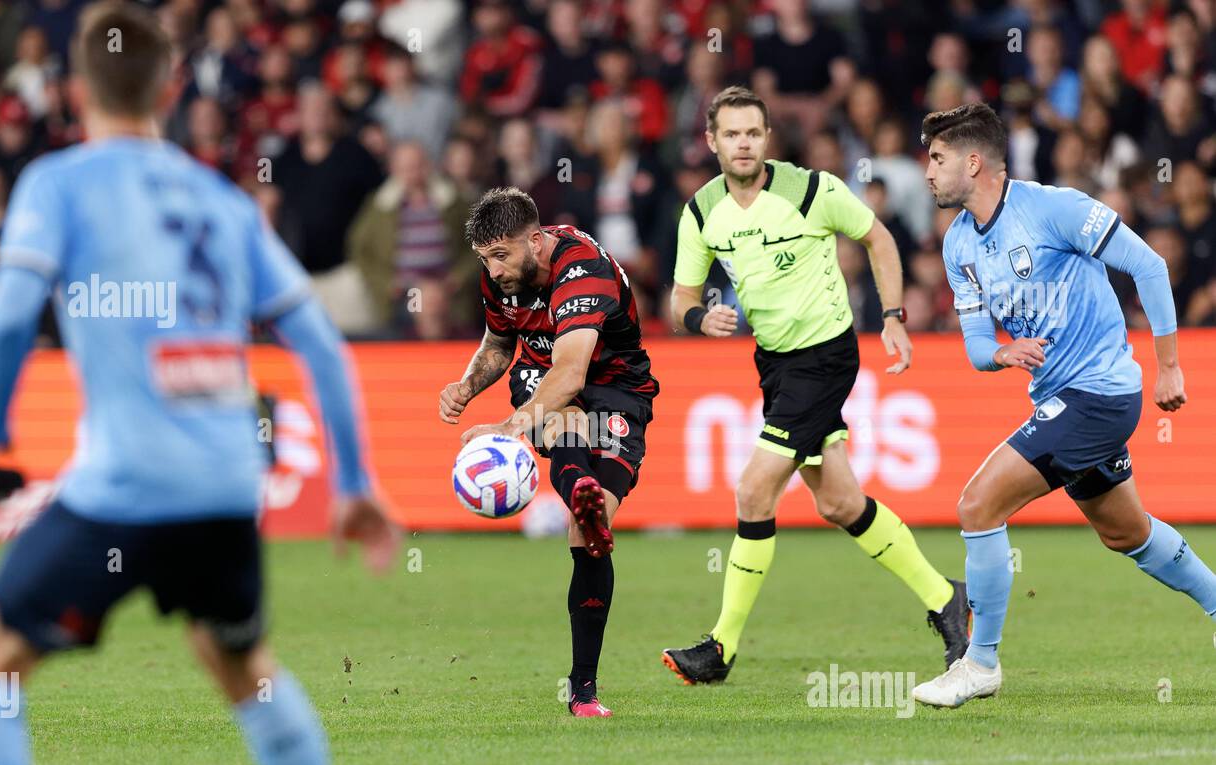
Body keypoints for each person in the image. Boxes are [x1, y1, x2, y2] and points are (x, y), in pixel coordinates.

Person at [0, 1, 401, 765]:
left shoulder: (60, 182)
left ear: (77, 88)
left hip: (125, 484)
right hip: (228, 484)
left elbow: (7, 315)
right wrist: (353, 482)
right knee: (238, 662)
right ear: (172, 85)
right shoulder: (222, 200)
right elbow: (318, 343)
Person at [662, 86, 970, 685]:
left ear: (768, 137)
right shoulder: (700, 212)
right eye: (731, 134)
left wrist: (893, 317)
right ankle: (945, 598)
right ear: (711, 141)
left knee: (754, 492)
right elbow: (680, 300)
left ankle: (720, 647)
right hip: (775, 364)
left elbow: (877, 238)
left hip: (826, 357)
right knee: (839, 503)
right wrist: (699, 319)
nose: (743, 143)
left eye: (753, 132)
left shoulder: (811, 190)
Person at [917, 101, 1216, 707]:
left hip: (1100, 395)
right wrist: (1001, 355)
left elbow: (1150, 265)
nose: (928, 171)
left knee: (977, 505)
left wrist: (1169, 367)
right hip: (1061, 398)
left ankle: (981, 663)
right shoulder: (957, 247)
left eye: (938, 158)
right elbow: (977, 347)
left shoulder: (1054, 209)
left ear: (974, 162)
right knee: (1125, 532)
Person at [437, 187, 659, 718]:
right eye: (484, 260)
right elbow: (497, 345)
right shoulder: (503, 278)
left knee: (590, 528)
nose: (492, 271)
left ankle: (579, 490)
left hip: (616, 389)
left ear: (535, 240)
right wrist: (468, 385)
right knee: (564, 424)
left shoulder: (584, 272)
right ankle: (583, 694)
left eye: (501, 256)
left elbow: (572, 373)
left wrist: (512, 428)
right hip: (539, 381)